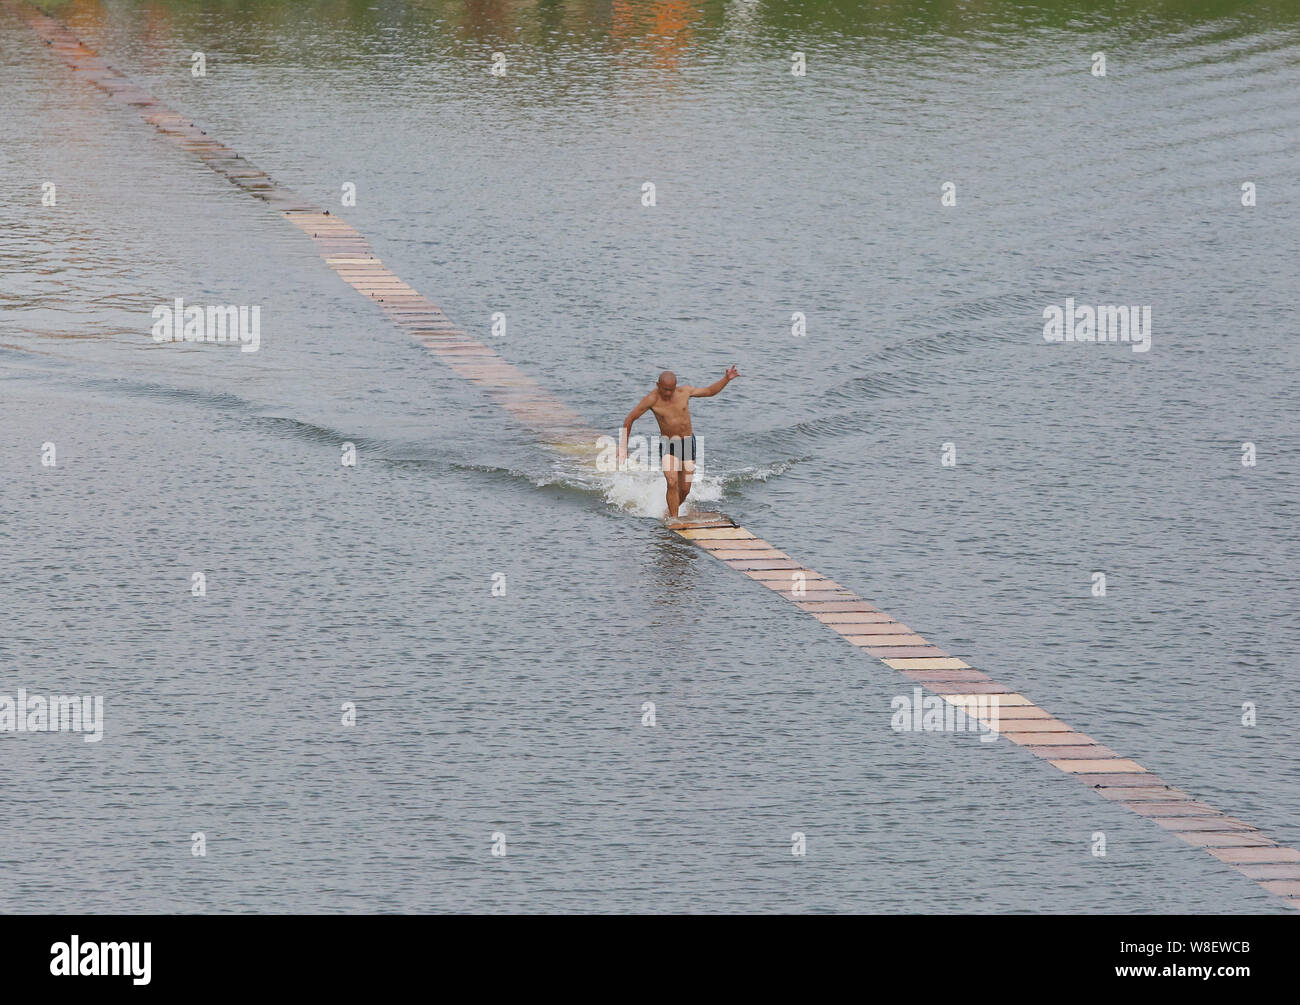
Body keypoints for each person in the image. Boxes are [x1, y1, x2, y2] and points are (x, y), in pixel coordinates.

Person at [617, 366, 739, 517]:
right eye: (665, 389)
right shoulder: (651, 400)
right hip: (669, 444)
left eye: (671, 389)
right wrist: (623, 447)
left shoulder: (684, 392)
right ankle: (674, 519)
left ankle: (668, 513)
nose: (668, 393)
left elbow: (709, 391)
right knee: (672, 481)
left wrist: (726, 379)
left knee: (685, 489)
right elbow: (629, 420)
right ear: (658, 385)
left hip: (687, 443)